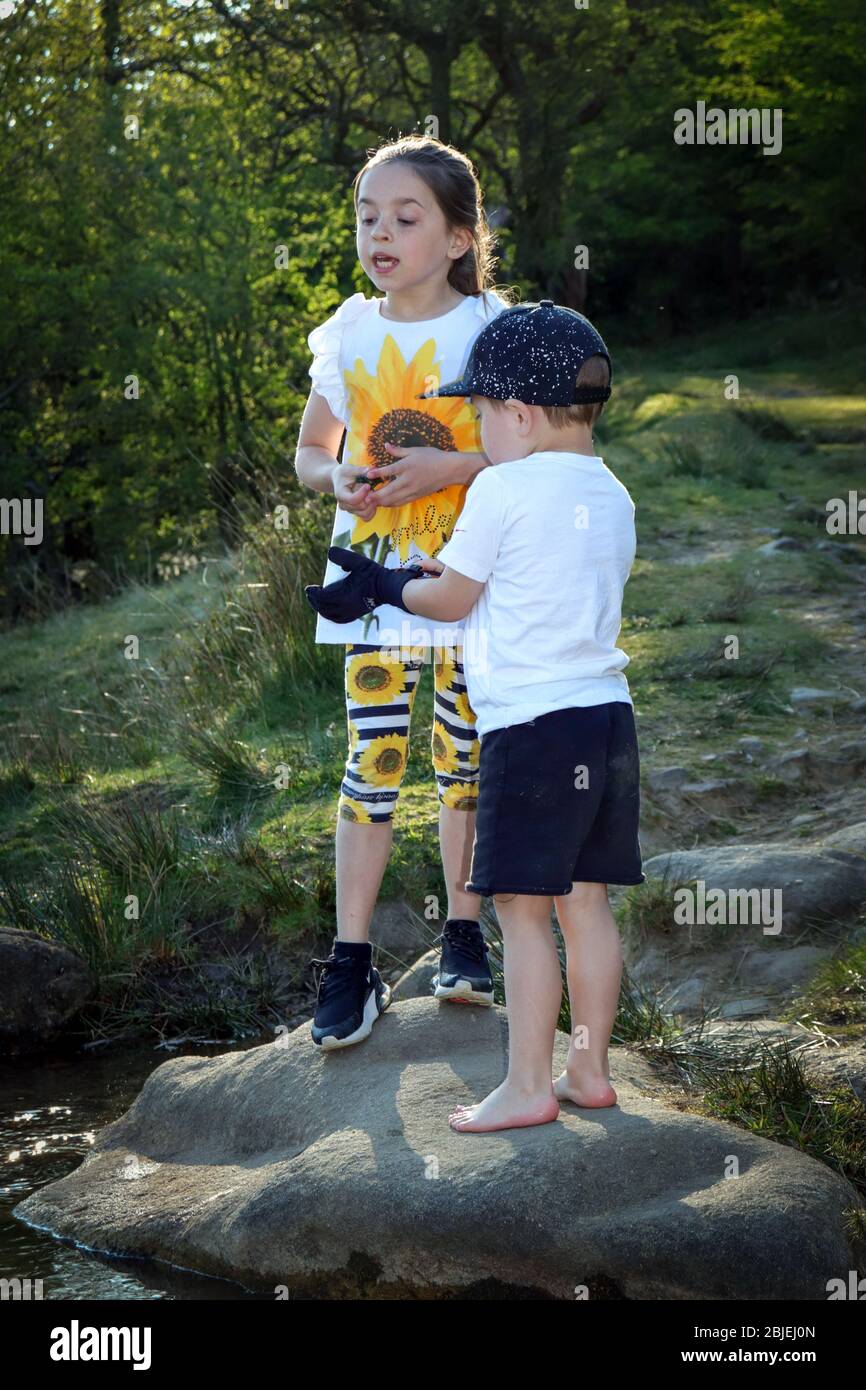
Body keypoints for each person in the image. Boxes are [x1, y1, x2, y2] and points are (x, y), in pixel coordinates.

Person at [306, 300, 645, 1133]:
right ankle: (590, 1068)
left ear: (521, 417)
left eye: (483, 414)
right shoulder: (611, 492)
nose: (478, 432)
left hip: (531, 733)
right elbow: (530, 586)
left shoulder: (500, 484)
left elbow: (452, 600)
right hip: (606, 720)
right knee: (586, 904)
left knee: (525, 914)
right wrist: (442, 571)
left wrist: (384, 586)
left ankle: (528, 1085)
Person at [294, 134, 513, 1051]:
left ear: (460, 236)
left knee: (465, 758)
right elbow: (310, 450)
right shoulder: (349, 331)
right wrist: (331, 479)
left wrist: (449, 464)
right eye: (366, 215)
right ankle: (352, 960)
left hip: (467, 585)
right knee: (372, 760)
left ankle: (464, 936)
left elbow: (529, 450)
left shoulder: (494, 329)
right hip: (372, 588)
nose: (379, 232)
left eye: (405, 216)